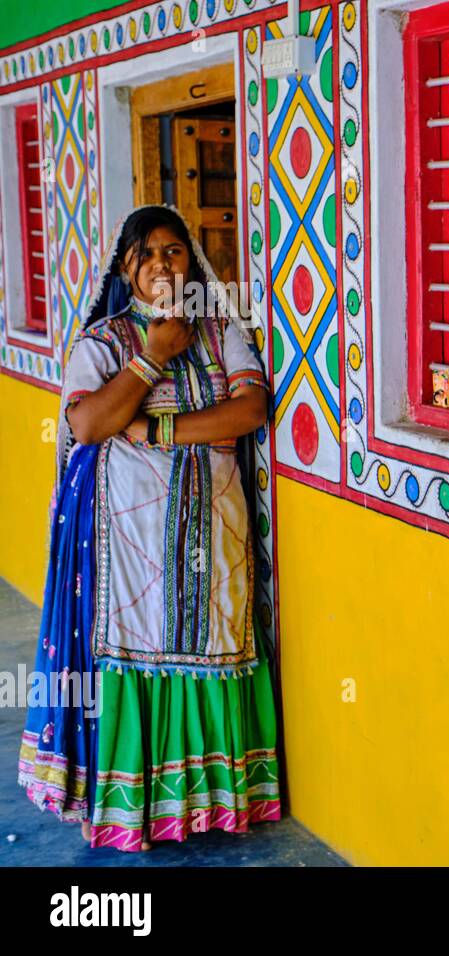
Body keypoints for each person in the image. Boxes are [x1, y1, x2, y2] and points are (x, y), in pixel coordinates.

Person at [17, 205, 281, 852]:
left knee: (216, 640)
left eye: (174, 251)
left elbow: (249, 410)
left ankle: (213, 805)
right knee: (137, 647)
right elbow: (87, 425)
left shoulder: (221, 333)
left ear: (191, 260)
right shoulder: (103, 342)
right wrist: (153, 356)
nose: (163, 264)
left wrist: (155, 429)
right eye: (147, 253)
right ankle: (131, 808)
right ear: (125, 266)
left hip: (214, 528)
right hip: (128, 542)